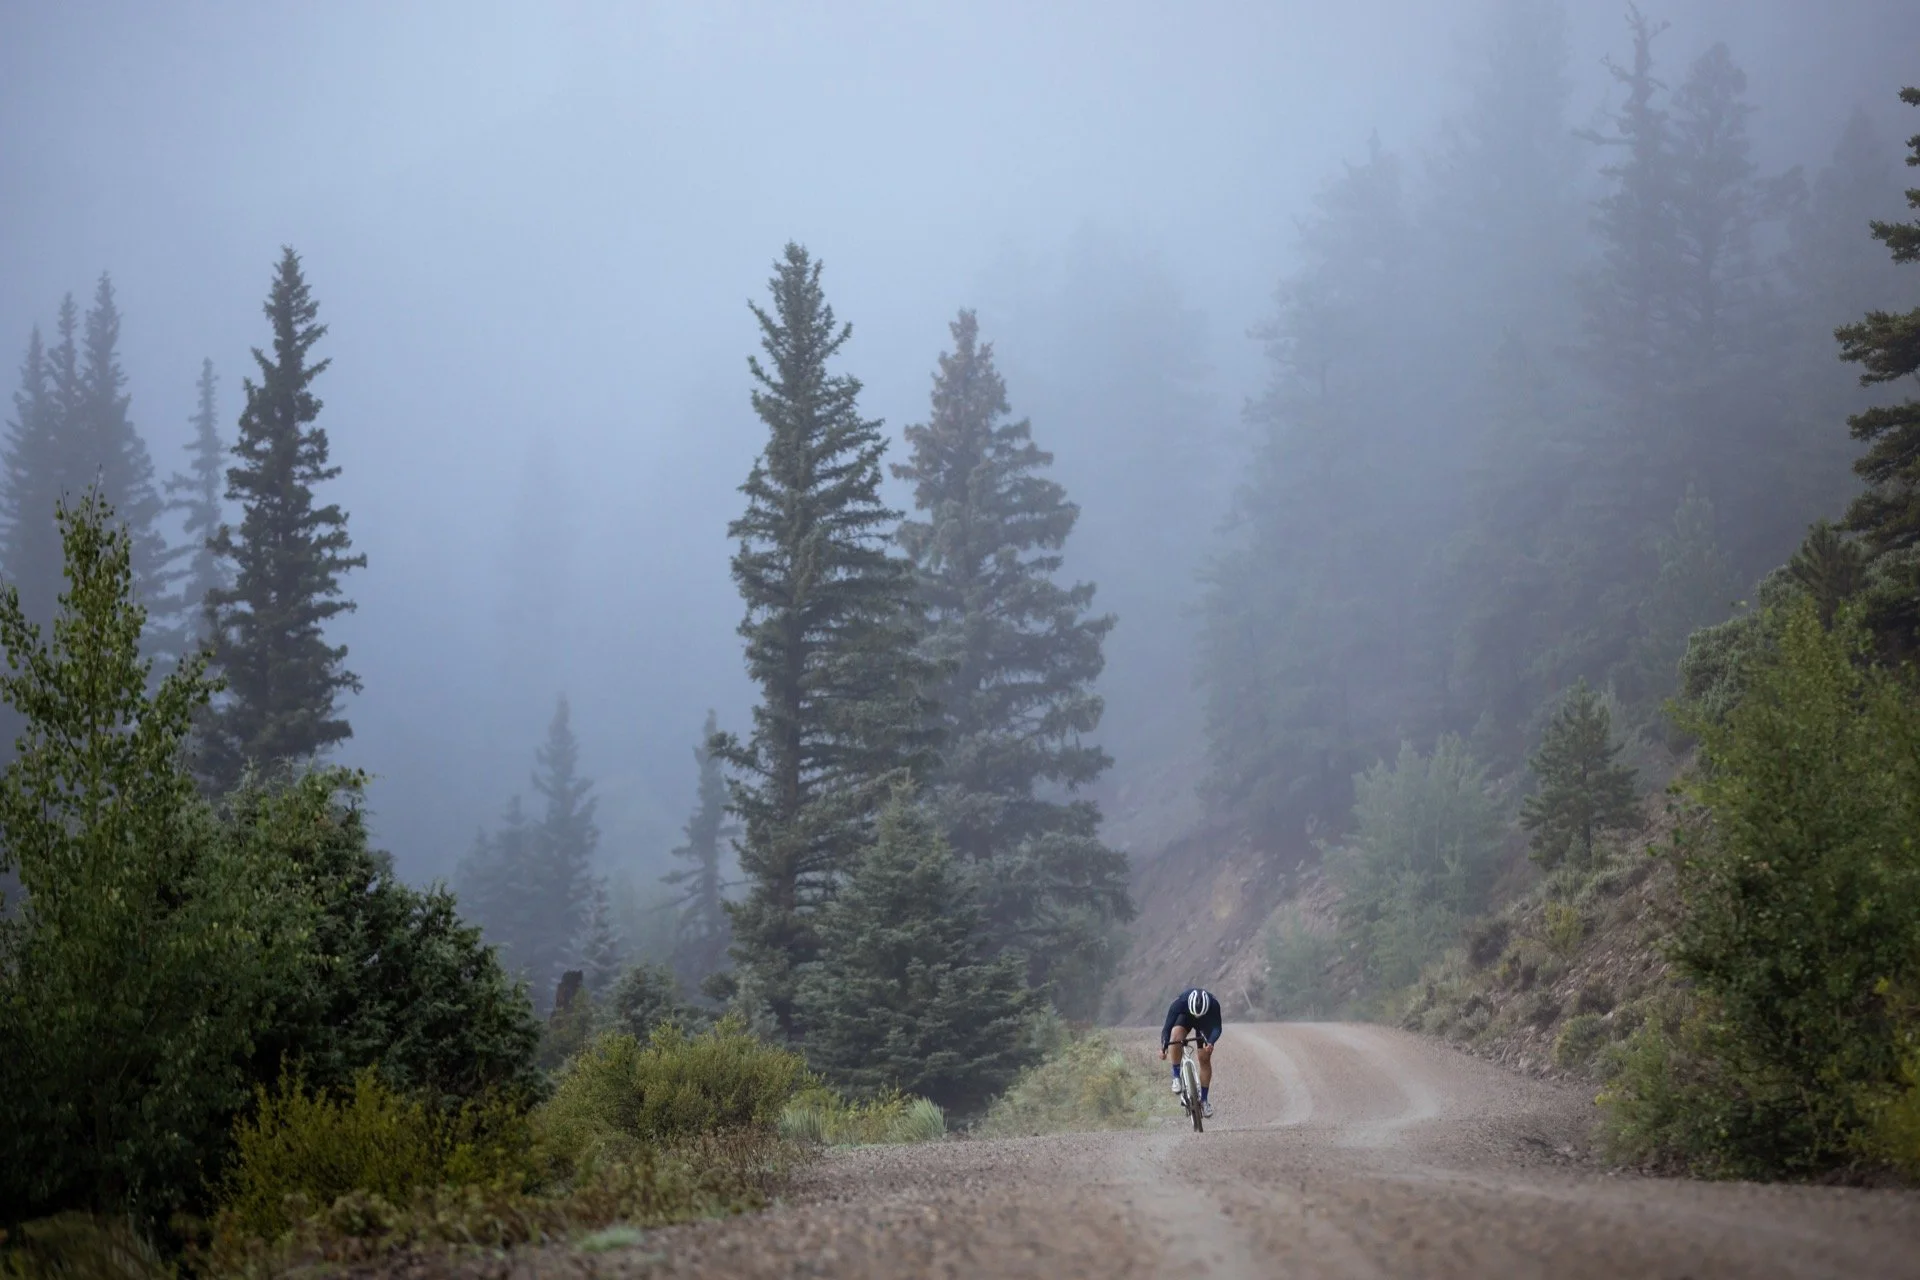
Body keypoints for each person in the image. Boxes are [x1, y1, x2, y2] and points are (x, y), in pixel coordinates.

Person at [1160, 987, 1221, 1118]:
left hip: (1205, 1022)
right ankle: (1176, 1076)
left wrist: (1210, 1042)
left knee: (1204, 1057)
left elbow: (1217, 1027)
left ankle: (1204, 1101)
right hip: (1185, 1017)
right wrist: (1163, 1048)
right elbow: (1167, 1028)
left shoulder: (1214, 1004)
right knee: (1175, 1037)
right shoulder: (1180, 1002)